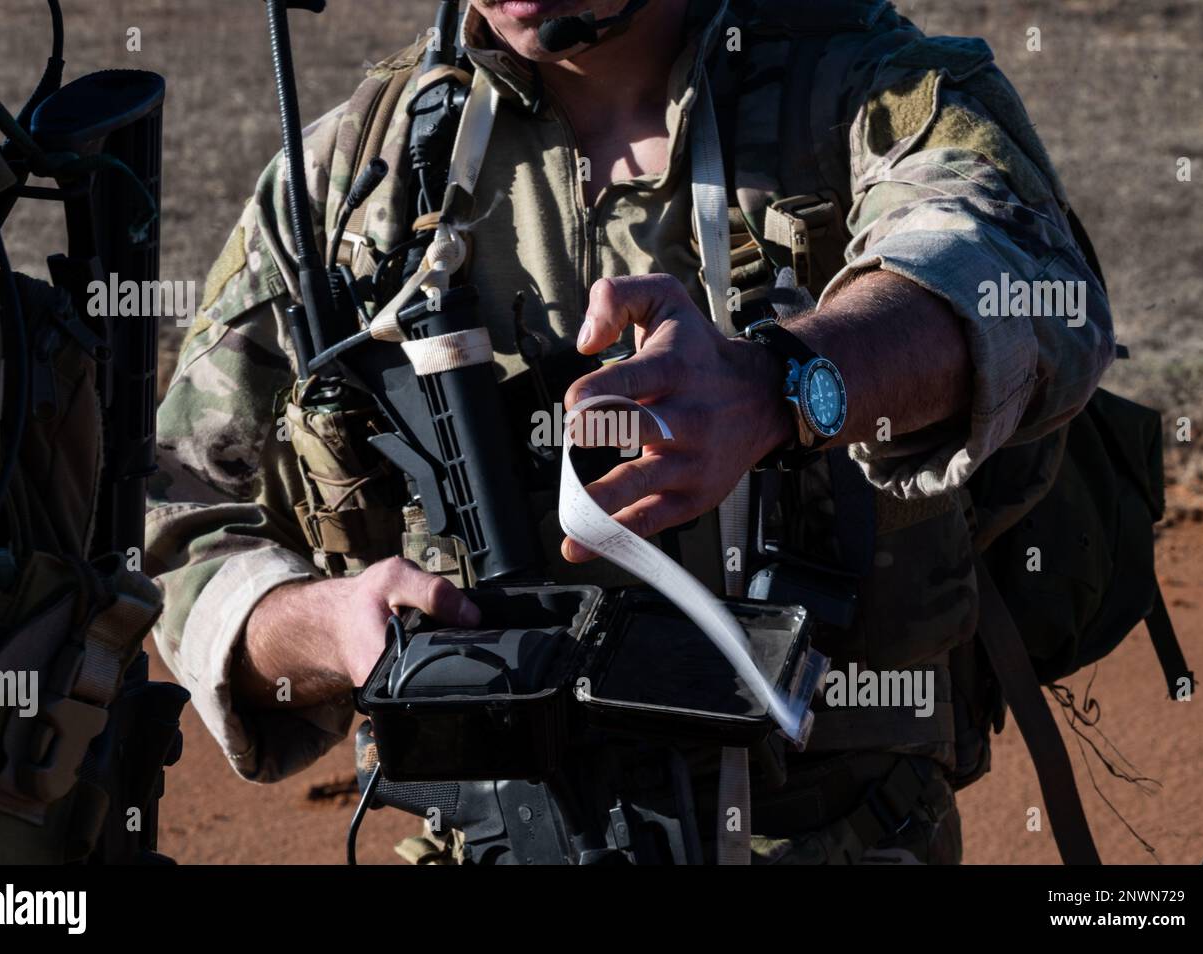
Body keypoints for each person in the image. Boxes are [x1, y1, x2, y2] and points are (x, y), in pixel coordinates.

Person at [147, 0, 1113, 863]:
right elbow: (185, 520)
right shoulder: (352, 182)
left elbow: (1018, 282)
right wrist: (326, 626)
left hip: (834, 828)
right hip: (486, 837)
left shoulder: (869, 87)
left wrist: (785, 382)